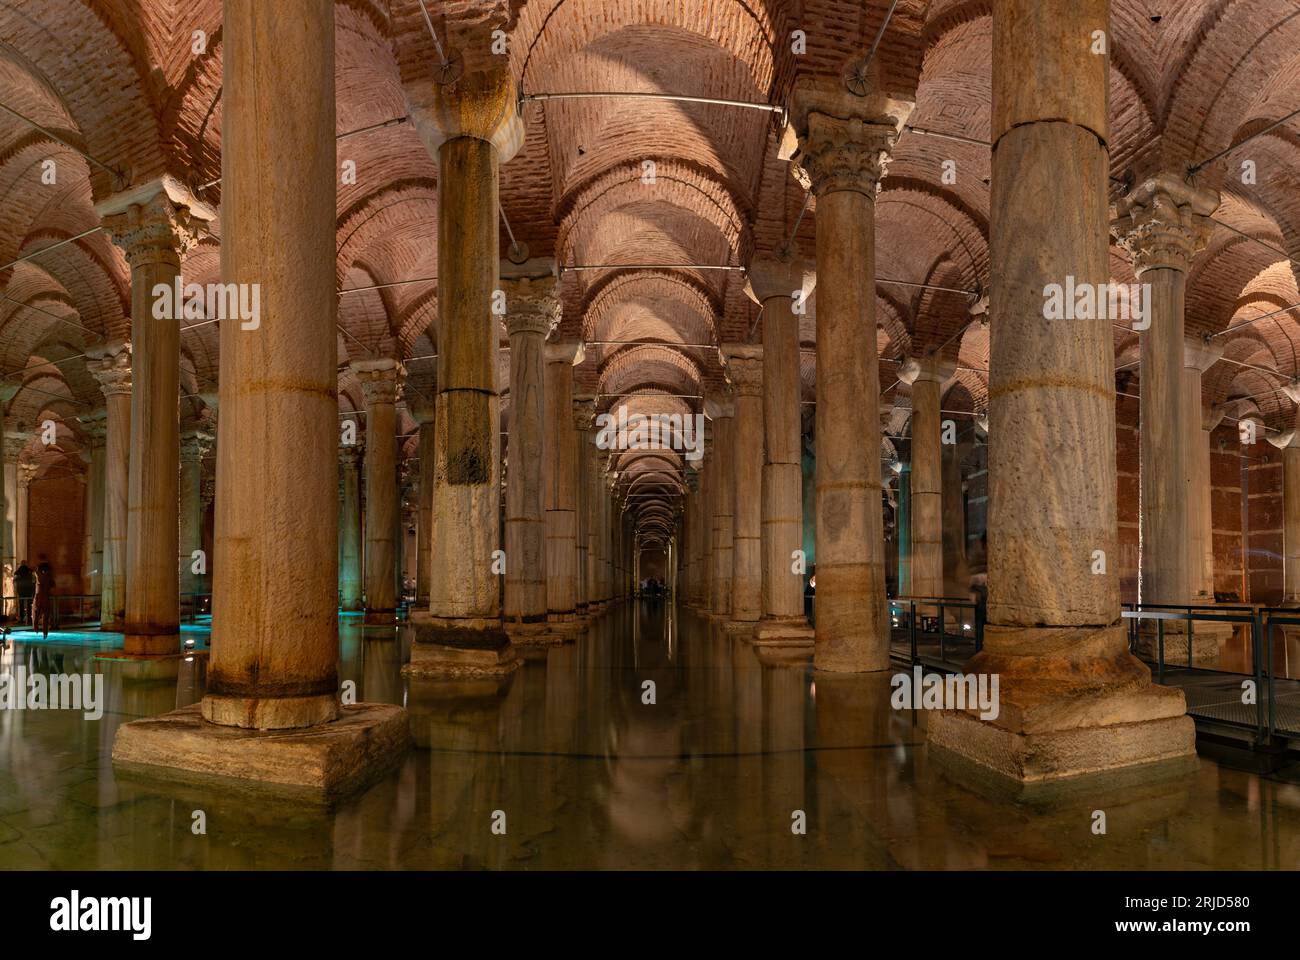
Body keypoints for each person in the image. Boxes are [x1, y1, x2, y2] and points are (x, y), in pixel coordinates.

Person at [33, 560, 54, 639]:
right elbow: (53, 585)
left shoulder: (38, 575)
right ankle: (45, 633)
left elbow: (36, 572)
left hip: (39, 598)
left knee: (36, 614)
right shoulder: (49, 577)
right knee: (45, 617)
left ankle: (36, 628)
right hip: (46, 598)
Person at [14, 560, 34, 625]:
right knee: (29, 605)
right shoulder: (30, 571)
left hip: (21, 591)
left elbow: (15, 581)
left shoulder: (18, 572)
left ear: (21, 564)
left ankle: (21, 619)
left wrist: (16, 589)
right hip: (29, 591)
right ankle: (29, 619)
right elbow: (34, 581)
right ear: (26, 564)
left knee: (21, 605)